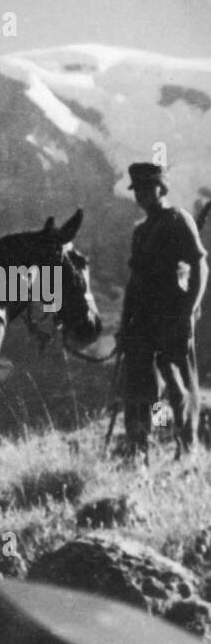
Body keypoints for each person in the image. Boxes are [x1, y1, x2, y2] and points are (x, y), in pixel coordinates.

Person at [118, 162, 208, 460]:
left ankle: (186, 445)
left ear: (161, 188)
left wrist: (188, 312)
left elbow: (199, 265)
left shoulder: (177, 220)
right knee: (145, 387)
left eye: (148, 187)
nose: (142, 195)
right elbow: (134, 282)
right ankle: (143, 447)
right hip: (142, 321)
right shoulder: (140, 232)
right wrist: (124, 324)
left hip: (171, 314)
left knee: (177, 384)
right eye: (138, 190)